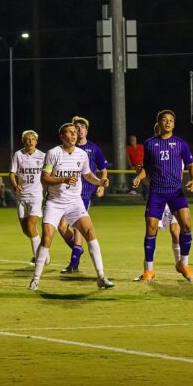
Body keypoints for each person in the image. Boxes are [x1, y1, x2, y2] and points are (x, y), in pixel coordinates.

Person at [29, 123, 114, 291]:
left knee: (90, 233)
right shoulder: (53, 153)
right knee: (47, 238)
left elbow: (87, 175)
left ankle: (101, 277)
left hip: (75, 202)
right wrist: (63, 180)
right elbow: (45, 178)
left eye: (75, 132)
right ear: (62, 137)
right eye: (70, 132)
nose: (74, 135)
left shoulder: (82, 155)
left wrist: (99, 182)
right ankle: (36, 279)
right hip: (55, 203)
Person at [131, 110, 193, 283]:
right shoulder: (149, 144)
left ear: (174, 124)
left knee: (187, 225)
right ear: (159, 123)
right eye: (164, 120)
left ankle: (184, 264)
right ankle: (149, 270)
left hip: (176, 192)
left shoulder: (181, 144)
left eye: (170, 120)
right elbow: (146, 167)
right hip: (157, 192)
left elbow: (191, 165)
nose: (167, 122)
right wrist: (139, 177)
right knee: (151, 229)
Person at [59, 116, 109, 274]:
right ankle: (77, 250)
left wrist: (102, 186)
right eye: (76, 127)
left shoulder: (93, 149)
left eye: (82, 127)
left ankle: (74, 262)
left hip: (85, 194)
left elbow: (103, 168)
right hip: (67, 194)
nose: (79, 129)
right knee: (61, 227)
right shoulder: (67, 149)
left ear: (87, 130)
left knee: (77, 227)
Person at [10, 130, 46, 264]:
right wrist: (14, 185)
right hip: (21, 196)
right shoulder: (18, 155)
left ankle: (39, 258)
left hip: (36, 195)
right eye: (28, 139)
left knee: (31, 226)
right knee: (26, 229)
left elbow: (49, 172)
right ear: (23, 141)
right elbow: (12, 173)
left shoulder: (43, 156)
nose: (30, 141)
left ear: (36, 141)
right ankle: (44, 252)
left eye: (33, 139)